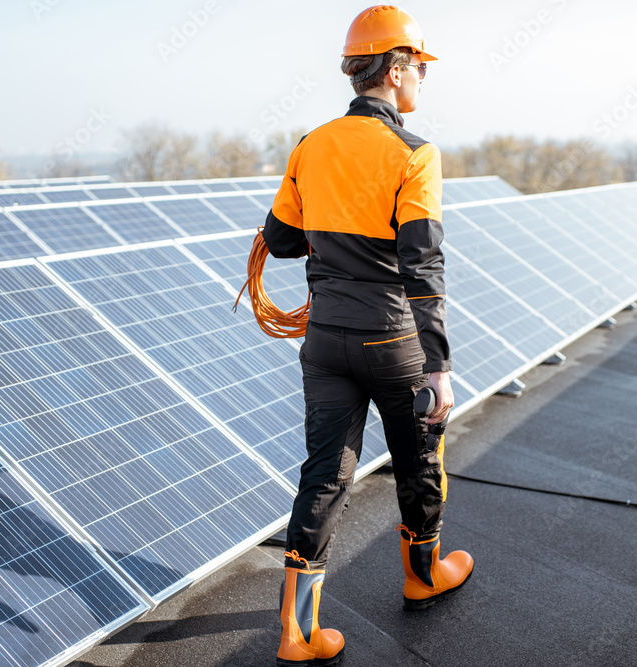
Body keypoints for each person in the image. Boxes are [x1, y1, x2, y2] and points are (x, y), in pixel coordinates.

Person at [262, 6, 473, 665]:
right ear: (398, 67)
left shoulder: (311, 144)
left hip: (324, 342)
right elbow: (422, 260)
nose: (421, 82)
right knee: (420, 461)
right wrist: (437, 365)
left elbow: (280, 240)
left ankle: (297, 633)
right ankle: (422, 573)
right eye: (419, 69)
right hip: (394, 342)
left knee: (323, 477)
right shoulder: (415, 154)